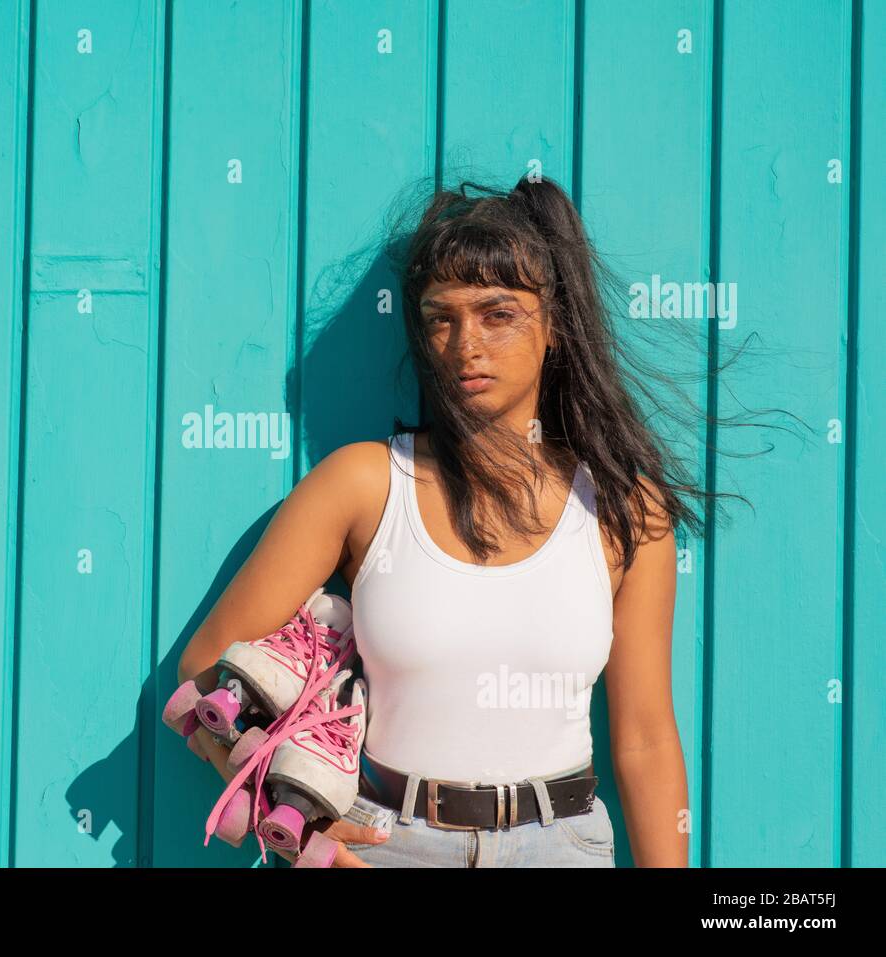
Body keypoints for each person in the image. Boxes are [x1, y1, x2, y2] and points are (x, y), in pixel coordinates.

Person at [175, 174, 713, 867]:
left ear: (554, 326)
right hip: (386, 843)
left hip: (565, 846)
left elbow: (643, 738)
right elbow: (201, 669)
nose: (465, 344)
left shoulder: (624, 509)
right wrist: (299, 827)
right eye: (441, 317)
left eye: (498, 313)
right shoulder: (362, 485)